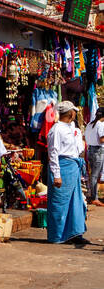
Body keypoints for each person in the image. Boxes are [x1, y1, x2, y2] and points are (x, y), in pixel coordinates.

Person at [46, 100, 88, 246]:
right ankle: (57, 235)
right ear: (71, 113)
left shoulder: (72, 127)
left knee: (76, 201)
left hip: (73, 168)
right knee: (59, 203)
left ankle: (75, 233)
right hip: (62, 168)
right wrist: (56, 175)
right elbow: (53, 153)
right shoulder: (56, 129)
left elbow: (79, 148)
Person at [85, 107, 104, 206]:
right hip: (98, 151)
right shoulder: (100, 125)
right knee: (95, 175)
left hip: (90, 150)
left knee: (93, 174)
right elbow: (102, 140)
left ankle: (93, 196)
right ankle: (94, 198)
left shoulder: (89, 124)